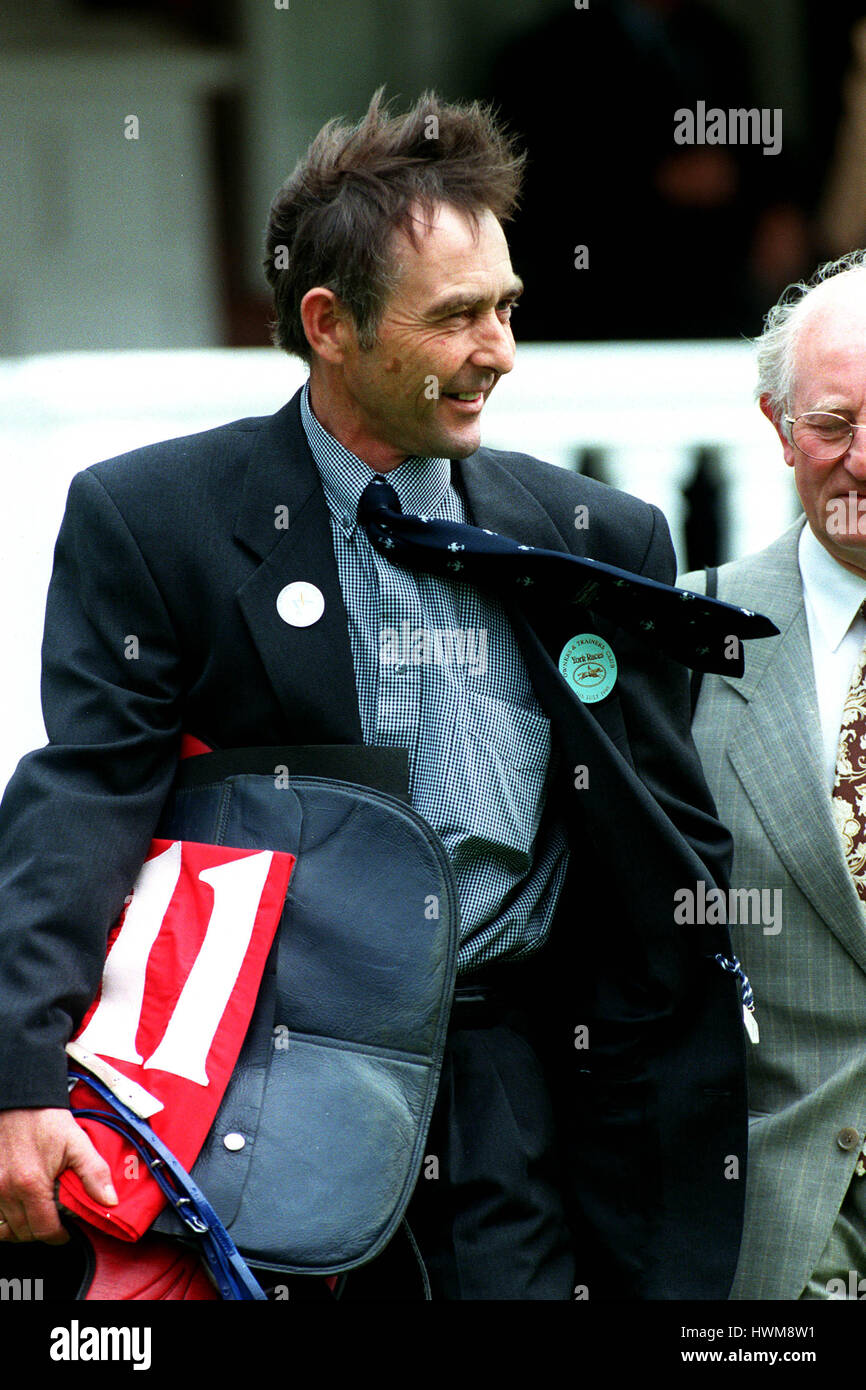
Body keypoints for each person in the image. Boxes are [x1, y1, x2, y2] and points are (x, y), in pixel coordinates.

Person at [0, 90, 748, 1300]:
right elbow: (83, 799)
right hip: (260, 1098)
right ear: (328, 323)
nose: (498, 350)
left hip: (516, 1096)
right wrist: (19, 1072)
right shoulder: (154, 522)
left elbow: (656, 864)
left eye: (505, 307)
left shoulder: (596, 536)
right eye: (456, 317)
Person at [682, 249, 866, 1299]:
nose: (859, 462)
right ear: (774, 424)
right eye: (832, 426)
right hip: (778, 1247)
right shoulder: (683, 641)